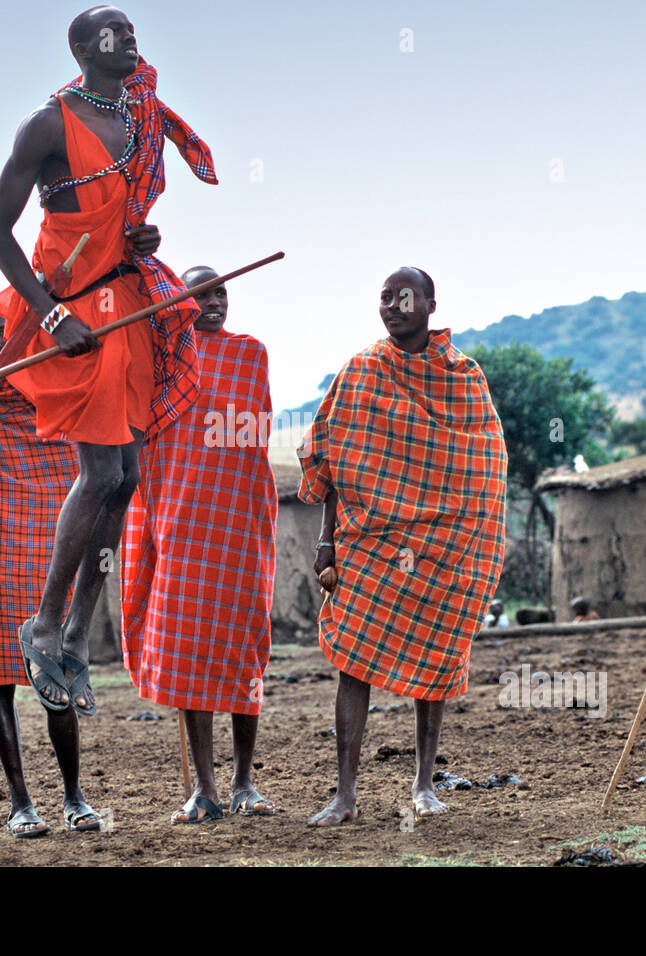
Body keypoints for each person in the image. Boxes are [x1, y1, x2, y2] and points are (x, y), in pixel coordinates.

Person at [0, 5, 216, 723]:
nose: (130, 36)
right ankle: (43, 623)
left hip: (124, 301)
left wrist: (142, 238)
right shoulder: (47, 125)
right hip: (68, 310)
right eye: (112, 30)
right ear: (83, 48)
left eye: (132, 27)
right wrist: (52, 314)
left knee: (129, 476)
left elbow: (123, 218)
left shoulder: (142, 121)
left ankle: (80, 631)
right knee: (100, 472)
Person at [299, 267, 508, 826]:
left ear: (432, 306)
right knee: (352, 662)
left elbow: (484, 467)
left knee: (436, 660)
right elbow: (331, 461)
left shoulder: (463, 378)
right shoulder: (361, 372)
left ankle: (423, 784)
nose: (392, 306)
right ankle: (344, 793)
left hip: (440, 545)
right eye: (385, 298)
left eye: (405, 297)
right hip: (368, 541)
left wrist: (468, 539)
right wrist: (326, 543)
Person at [121, 266, 278, 824]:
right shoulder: (163, 358)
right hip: (179, 520)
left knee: (244, 649)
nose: (213, 302)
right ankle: (205, 789)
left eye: (221, 293)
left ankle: (244, 782)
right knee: (188, 650)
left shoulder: (250, 354)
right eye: (200, 294)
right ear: (179, 303)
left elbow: (251, 440)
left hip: (239, 520)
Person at [0, 295, 100, 834]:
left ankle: (75, 796)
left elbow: (82, 460)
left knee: (51, 666)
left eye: (0, 333)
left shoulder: (51, 388)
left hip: (44, 551)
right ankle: (19, 802)